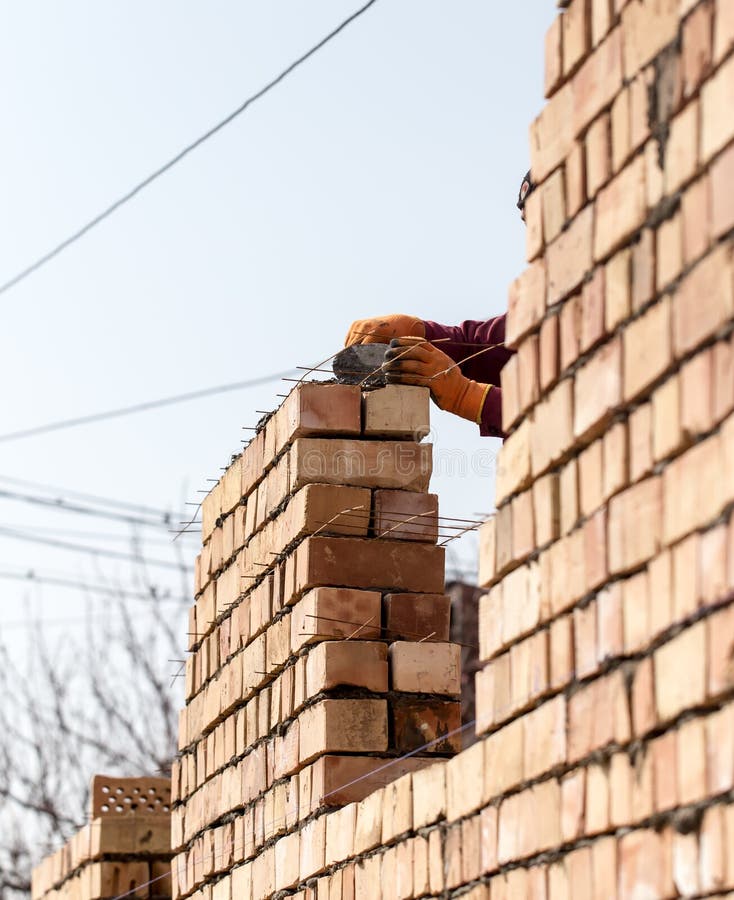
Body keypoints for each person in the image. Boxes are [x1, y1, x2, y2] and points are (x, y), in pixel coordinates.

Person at [344, 172, 535, 439]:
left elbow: (571, 411)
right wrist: (418, 331)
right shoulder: (552, 302)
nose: (534, 243)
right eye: (530, 226)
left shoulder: (605, 302)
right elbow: (484, 346)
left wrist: (469, 397)